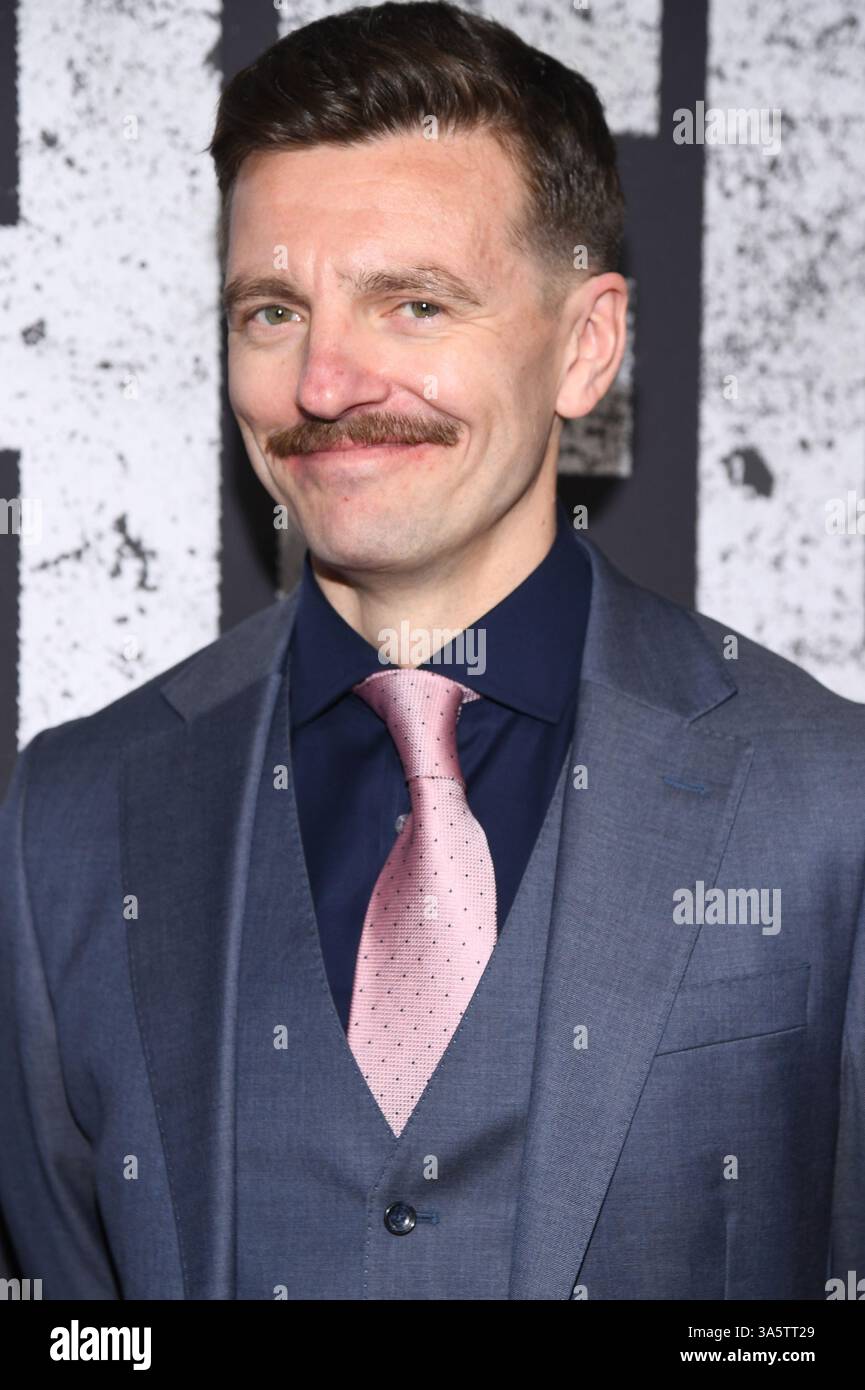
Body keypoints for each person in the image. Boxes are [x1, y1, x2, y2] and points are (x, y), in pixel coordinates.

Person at [0, 0, 862, 1301]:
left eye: (412, 303)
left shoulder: (824, 796)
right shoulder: (66, 820)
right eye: (272, 310)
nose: (326, 381)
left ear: (584, 346)